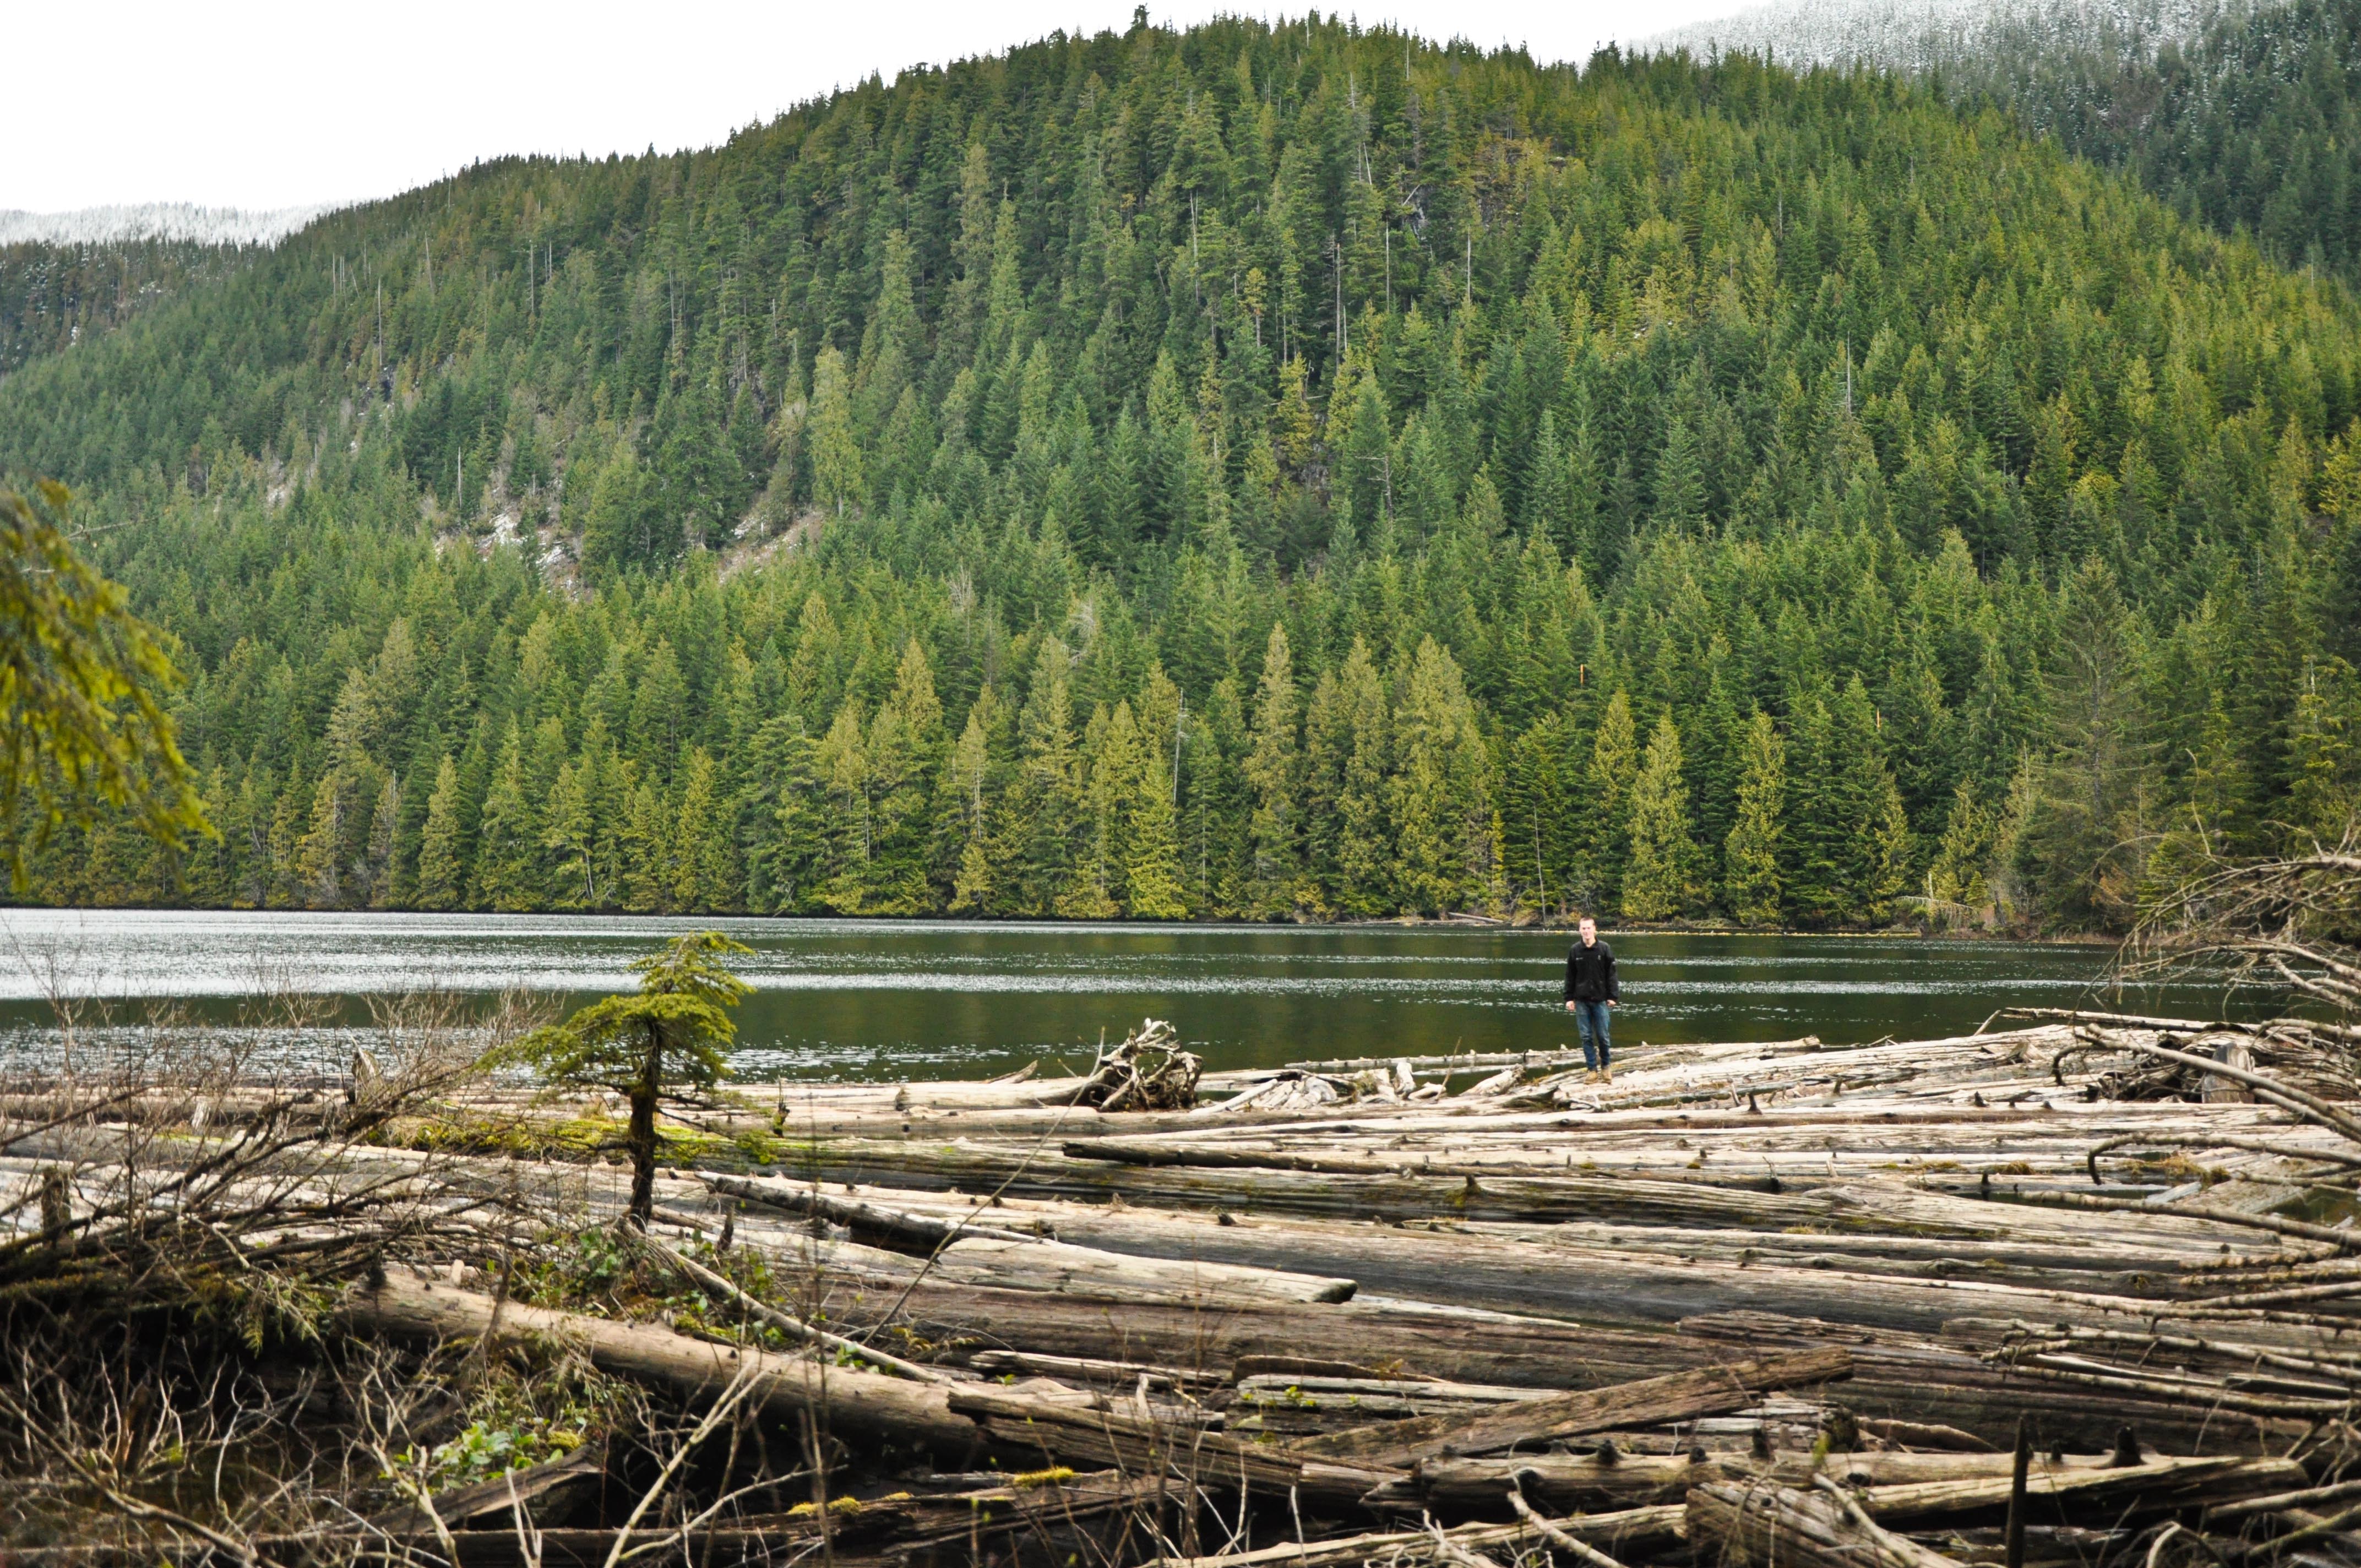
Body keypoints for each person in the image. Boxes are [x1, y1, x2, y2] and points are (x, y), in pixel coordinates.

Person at [1563, 916, 1618, 1081]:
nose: (1586, 931)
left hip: (1600, 1000)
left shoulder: (1604, 949)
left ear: (1595, 929)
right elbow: (1569, 976)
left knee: (1603, 1036)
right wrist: (1569, 998)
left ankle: (1606, 1067)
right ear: (1580, 930)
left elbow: (1612, 975)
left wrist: (1613, 996)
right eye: (1583, 928)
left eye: (1589, 928)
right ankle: (1591, 1070)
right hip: (1581, 1001)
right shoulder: (1575, 951)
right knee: (1586, 1036)